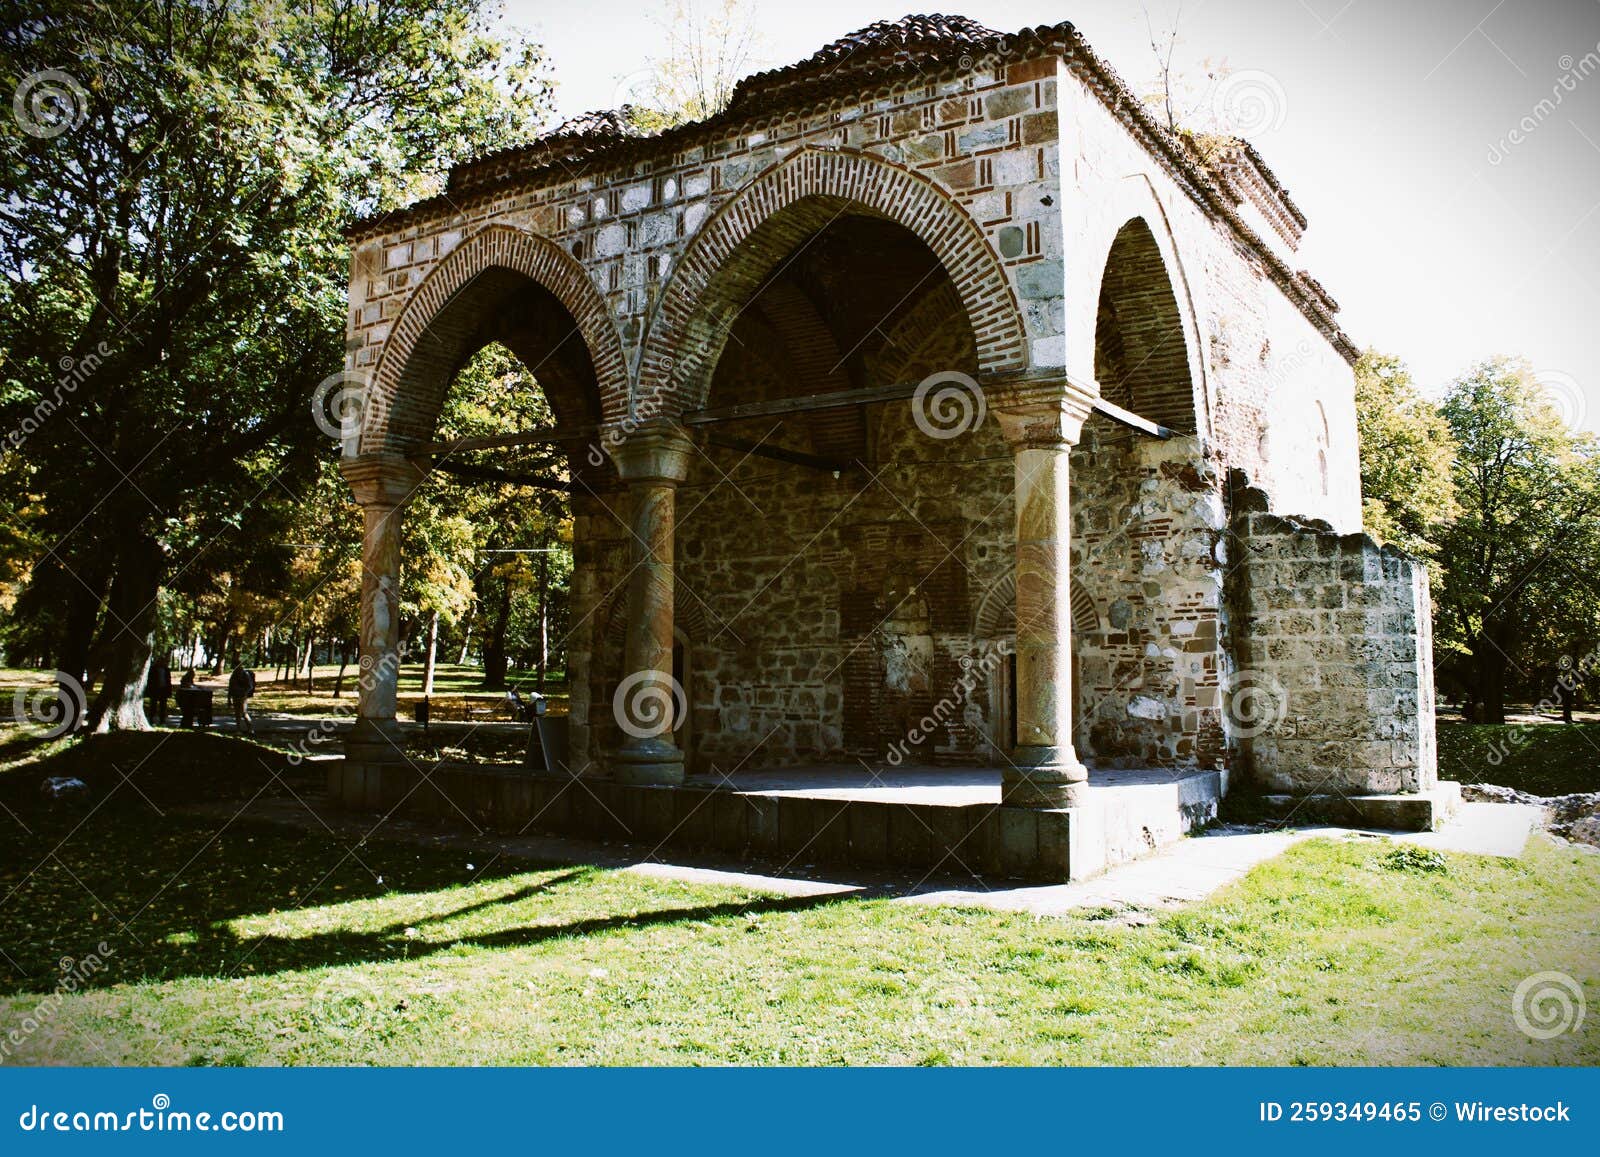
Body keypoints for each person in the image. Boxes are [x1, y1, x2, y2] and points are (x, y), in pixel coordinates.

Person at [228, 664, 256, 733]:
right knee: (237, 714)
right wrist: (229, 699)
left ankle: (250, 729)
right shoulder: (233, 675)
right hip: (235, 696)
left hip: (242, 696)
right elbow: (230, 688)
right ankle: (238, 729)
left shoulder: (245, 674)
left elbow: (250, 686)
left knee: (244, 713)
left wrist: (244, 694)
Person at [147, 660, 172, 726]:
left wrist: (169, 691)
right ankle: (151, 721)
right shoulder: (153, 669)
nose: (162, 663)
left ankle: (162, 721)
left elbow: (168, 680)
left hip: (163, 690)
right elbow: (150, 681)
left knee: (163, 707)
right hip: (155, 690)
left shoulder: (166, 669)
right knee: (153, 706)